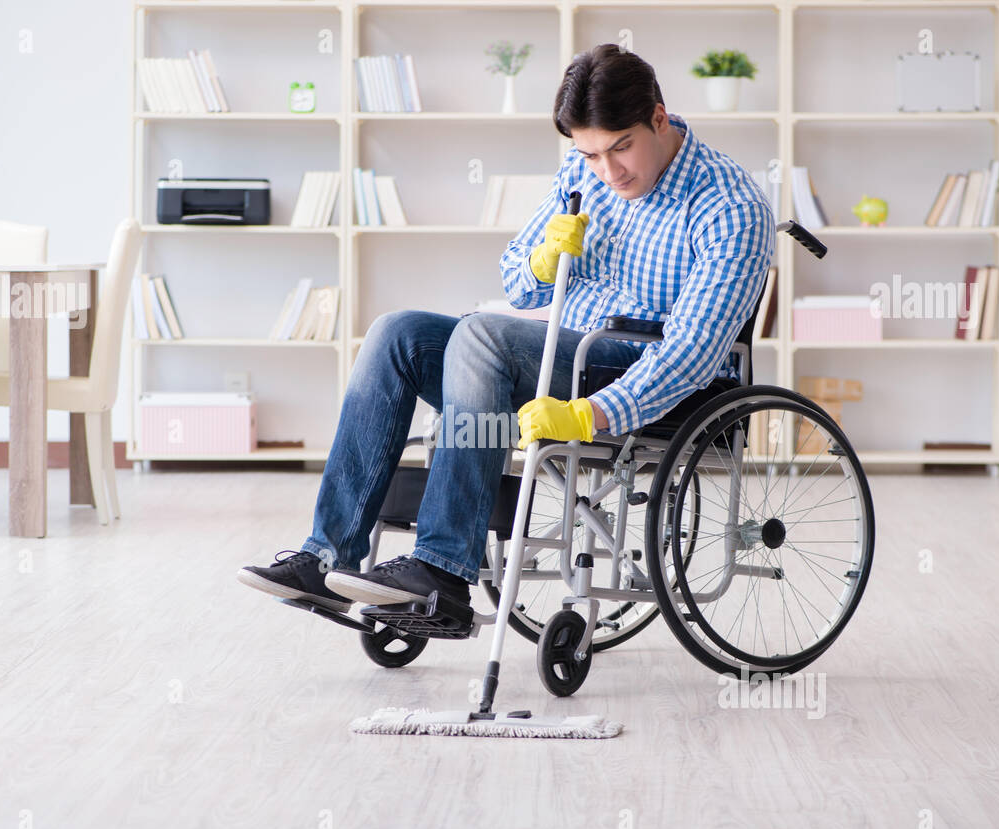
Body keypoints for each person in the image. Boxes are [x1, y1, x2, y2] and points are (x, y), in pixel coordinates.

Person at [237, 43, 774, 620]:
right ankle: (326, 557)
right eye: (590, 154)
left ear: (659, 119)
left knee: (483, 337)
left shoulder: (729, 206)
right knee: (396, 333)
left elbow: (693, 355)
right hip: (554, 356)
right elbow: (519, 281)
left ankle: (441, 571)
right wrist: (544, 259)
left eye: (621, 148)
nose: (609, 172)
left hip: (641, 377)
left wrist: (594, 414)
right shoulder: (584, 174)